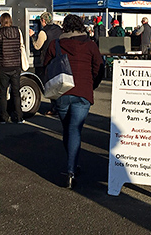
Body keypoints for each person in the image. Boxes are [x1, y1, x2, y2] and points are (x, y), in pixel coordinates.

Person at [43, 14, 102, 188]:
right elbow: (99, 67)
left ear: (65, 28)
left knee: (68, 130)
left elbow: (46, 66)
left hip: (62, 92)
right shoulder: (90, 45)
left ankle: (72, 165)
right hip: (83, 92)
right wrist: (91, 84)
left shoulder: (56, 44)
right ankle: (71, 170)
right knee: (75, 130)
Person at [0, 12, 24, 124]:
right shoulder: (17, 31)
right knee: (16, 92)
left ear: (1, 21)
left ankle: (3, 117)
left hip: (3, 66)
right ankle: (19, 117)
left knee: (3, 92)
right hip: (16, 66)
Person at [29, 11, 63, 115]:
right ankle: (60, 107)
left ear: (43, 21)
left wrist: (32, 36)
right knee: (58, 85)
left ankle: (54, 108)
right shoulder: (58, 29)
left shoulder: (43, 32)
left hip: (48, 61)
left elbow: (37, 46)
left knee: (51, 85)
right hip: (59, 59)